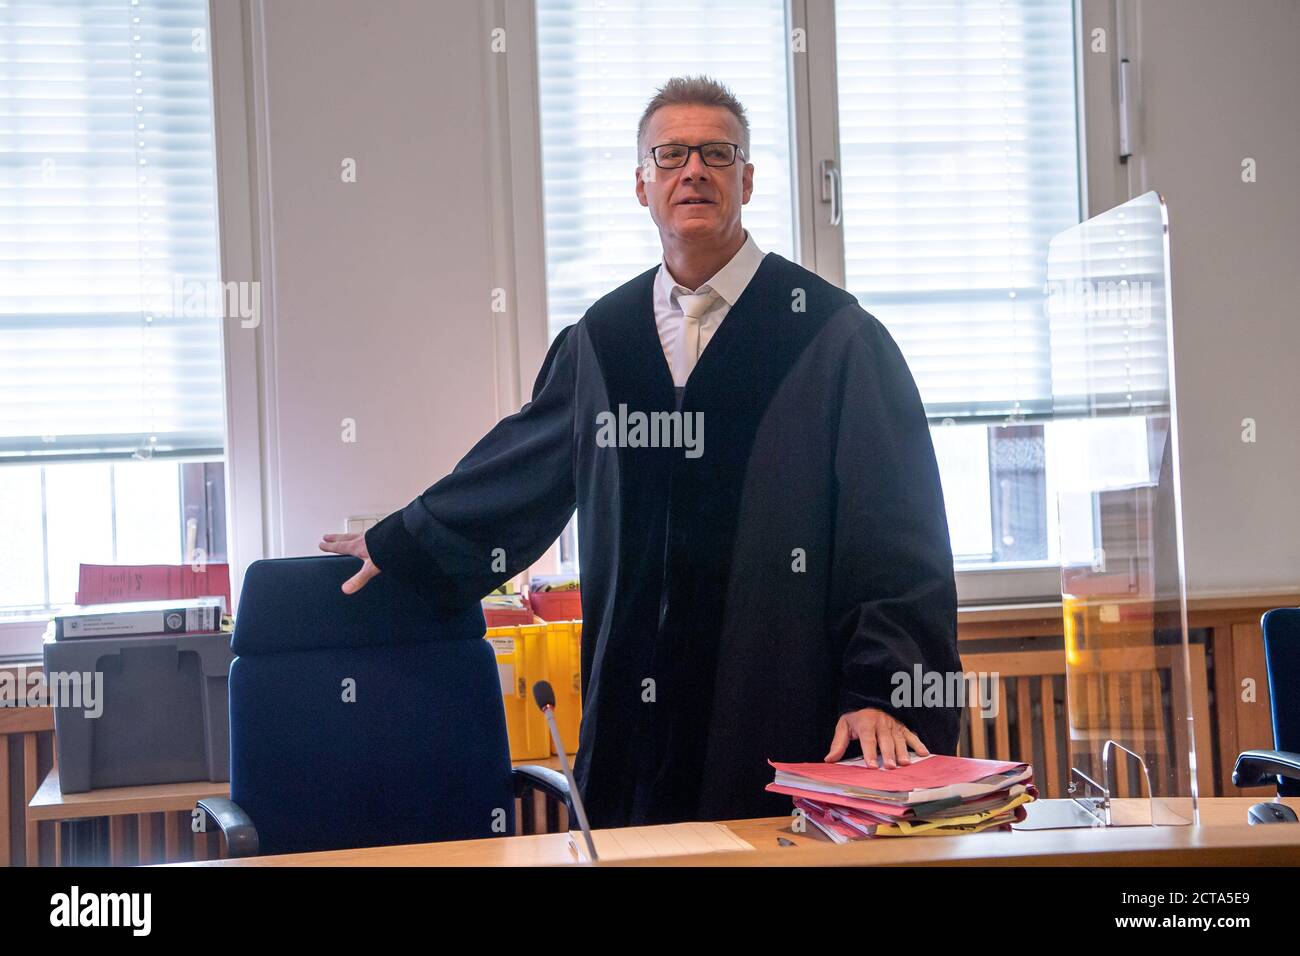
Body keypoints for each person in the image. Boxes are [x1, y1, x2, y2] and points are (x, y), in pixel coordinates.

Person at [321, 75, 963, 827]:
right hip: (634, 710)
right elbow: (521, 470)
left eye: (717, 154)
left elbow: (896, 534)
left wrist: (881, 692)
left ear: (747, 180)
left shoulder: (833, 338)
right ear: (641, 185)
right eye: (671, 155)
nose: (694, 170)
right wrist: (405, 540)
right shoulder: (605, 339)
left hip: (778, 709)